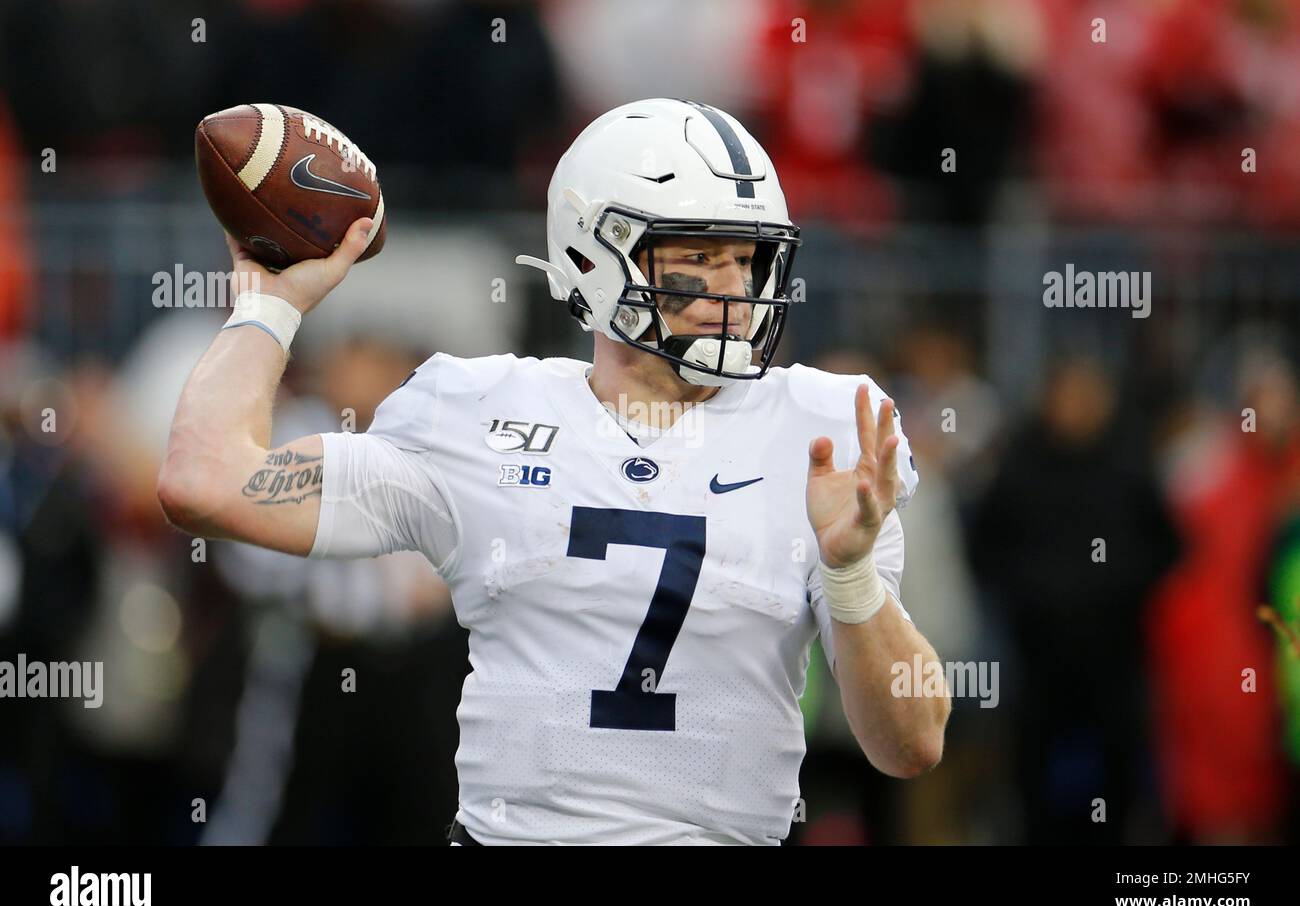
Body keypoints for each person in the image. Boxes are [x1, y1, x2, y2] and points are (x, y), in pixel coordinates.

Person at [157, 98, 948, 846]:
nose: (734, 290)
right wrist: (271, 304)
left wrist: (850, 579)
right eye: (698, 257)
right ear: (590, 253)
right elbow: (207, 483)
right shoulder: (474, 414)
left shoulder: (821, 432)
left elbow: (911, 745)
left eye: (747, 258)